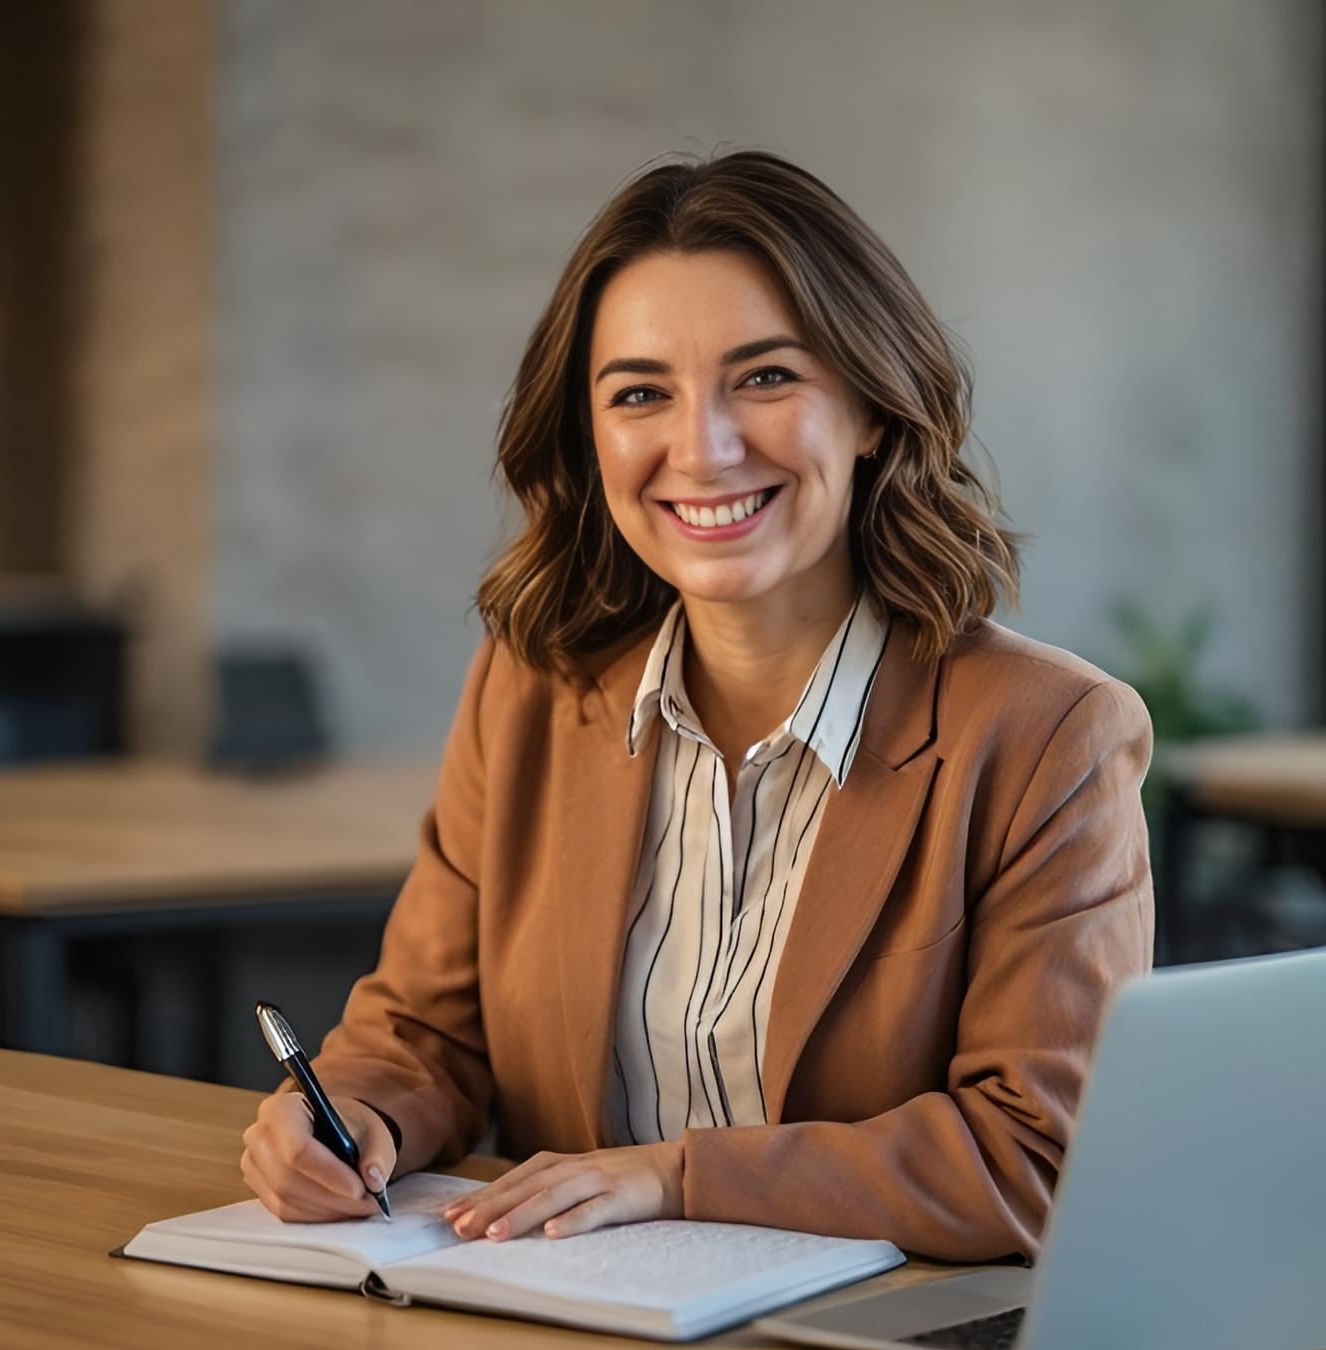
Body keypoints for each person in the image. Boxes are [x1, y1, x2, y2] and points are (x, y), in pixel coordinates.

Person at [239, 149, 1154, 1262]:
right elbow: (427, 1027)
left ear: (869, 404)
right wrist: (353, 1115)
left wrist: (678, 1176)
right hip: (559, 1318)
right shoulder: (530, 689)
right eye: (639, 394)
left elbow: (1040, 1156)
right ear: (589, 433)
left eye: (764, 377)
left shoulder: (1045, 736)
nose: (702, 448)